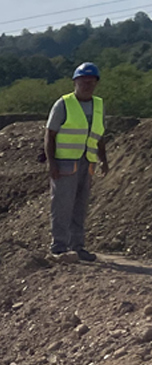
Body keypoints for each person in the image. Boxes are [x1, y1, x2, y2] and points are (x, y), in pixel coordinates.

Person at [45, 62, 111, 262]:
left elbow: (99, 135)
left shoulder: (98, 105)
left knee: (80, 207)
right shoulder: (63, 104)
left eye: (91, 82)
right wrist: (52, 163)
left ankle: (78, 247)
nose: (87, 85)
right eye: (83, 81)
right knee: (62, 205)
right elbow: (50, 134)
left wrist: (104, 160)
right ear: (75, 82)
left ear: (96, 83)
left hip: (87, 162)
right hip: (65, 163)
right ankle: (59, 247)